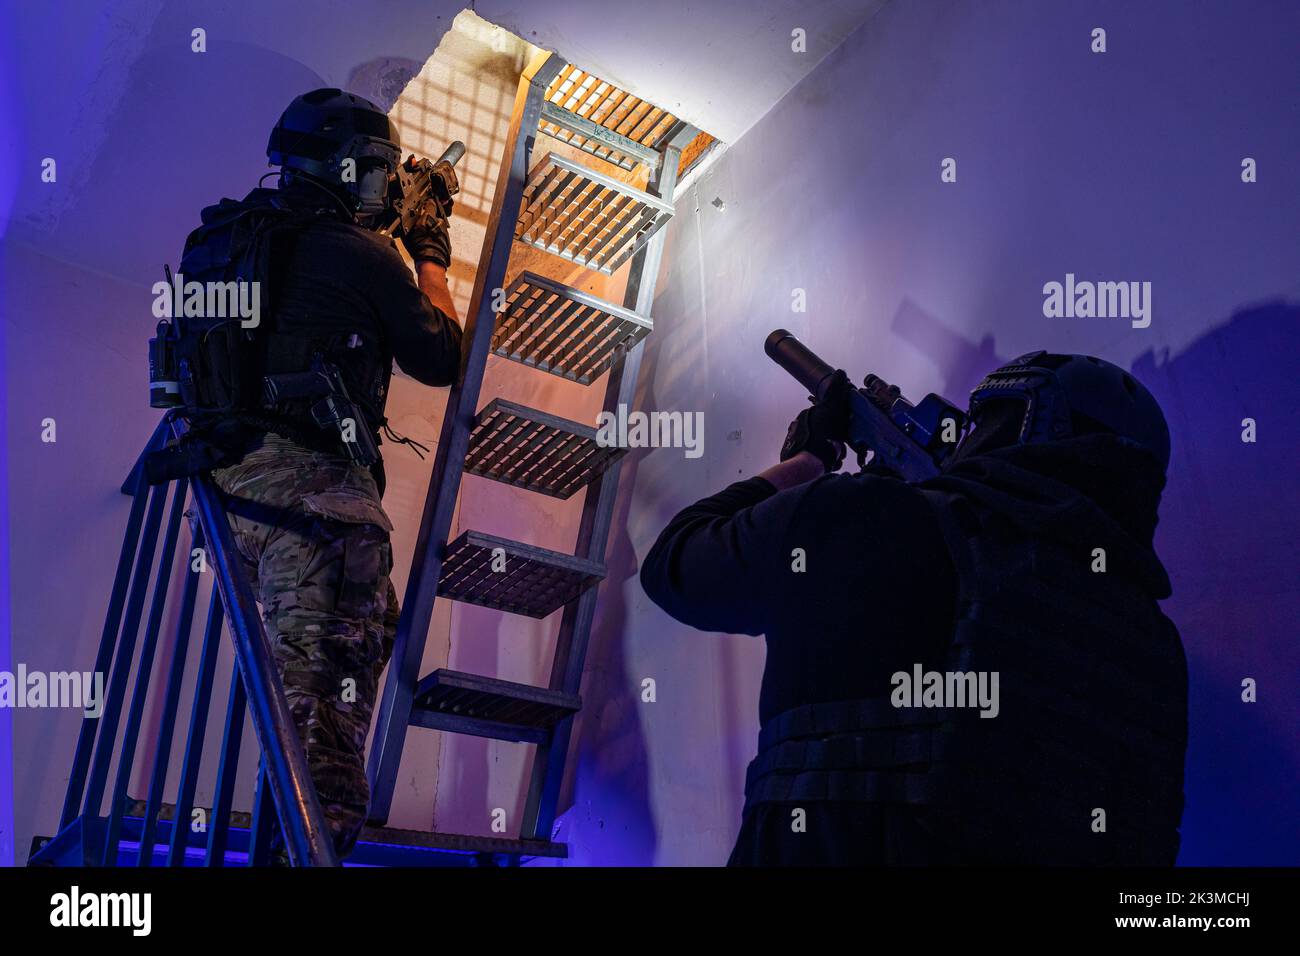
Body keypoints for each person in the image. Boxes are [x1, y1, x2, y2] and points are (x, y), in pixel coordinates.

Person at [640, 350, 1188, 865]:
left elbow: (675, 564)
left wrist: (812, 460)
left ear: (1018, 425)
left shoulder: (864, 518)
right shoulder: (1154, 645)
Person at [185, 88, 462, 859]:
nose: (378, 197)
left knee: (295, 712)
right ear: (348, 171)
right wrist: (429, 248)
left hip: (235, 501)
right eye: (373, 178)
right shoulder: (355, 252)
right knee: (327, 743)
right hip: (316, 513)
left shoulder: (242, 239)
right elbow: (440, 353)